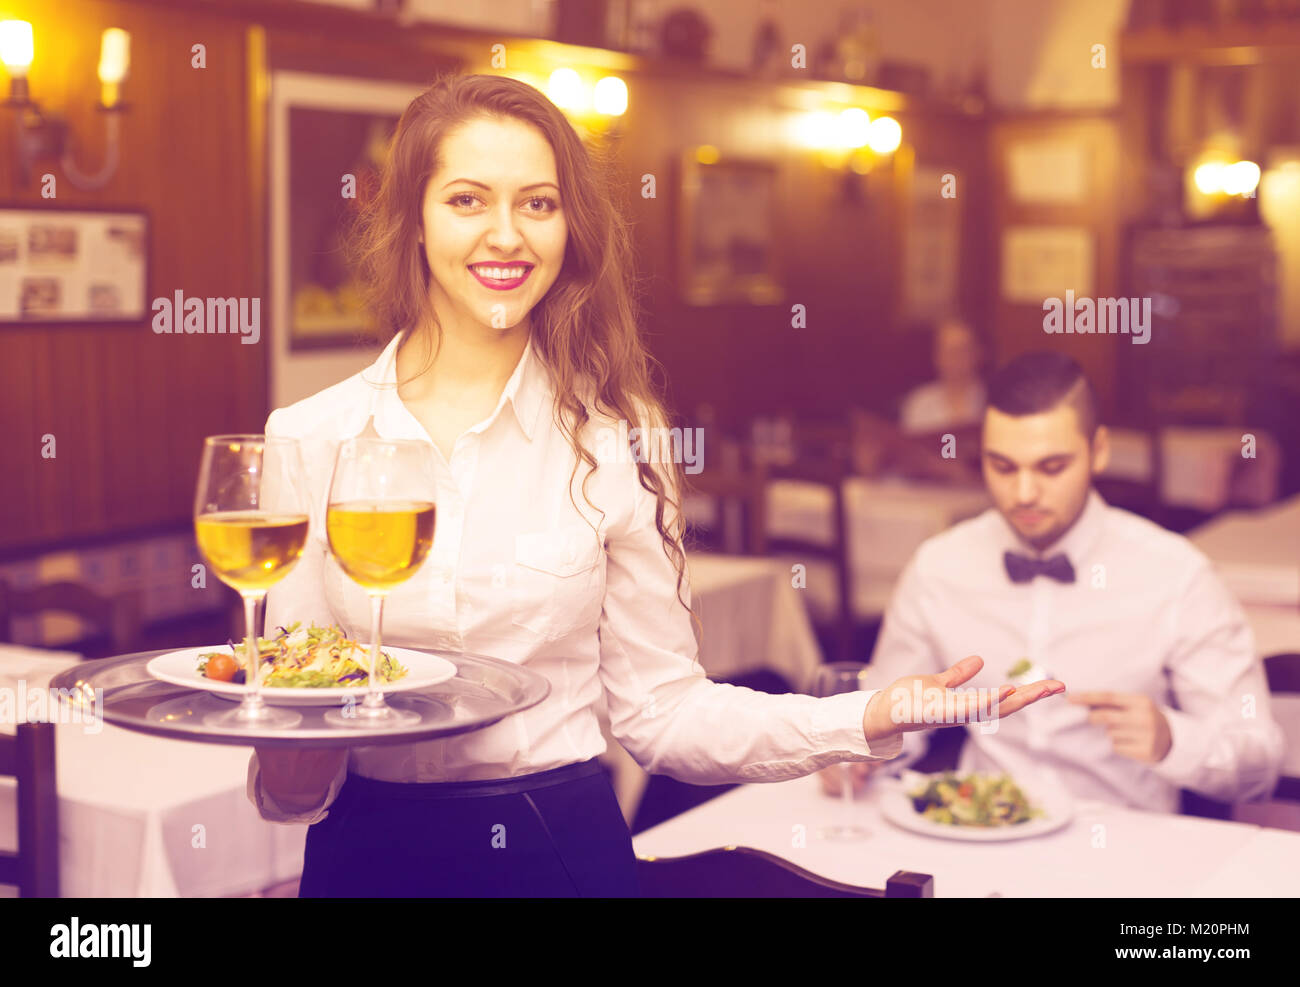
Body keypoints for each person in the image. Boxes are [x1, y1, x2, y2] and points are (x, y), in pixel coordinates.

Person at [246, 74, 1064, 898]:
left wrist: (867, 715)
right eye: (466, 200)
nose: (507, 235)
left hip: (557, 851)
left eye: (538, 204)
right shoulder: (310, 437)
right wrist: (295, 744)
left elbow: (664, 712)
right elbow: (291, 756)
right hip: (366, 857)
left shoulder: (621, 433)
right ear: (413, 221)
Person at [823, 351, 1284, 812]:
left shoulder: (1178, 576)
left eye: (1051, 467)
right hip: (977, 841)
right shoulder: (938, 567)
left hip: (1126, 857)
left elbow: (1259, 763)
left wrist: (1173, 740)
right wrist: (859, 752)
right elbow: (895, 718)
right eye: (1003, 467)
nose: (1024, 493)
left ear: (1098, 451)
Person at [898, 317, 986, 435]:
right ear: (936, 356)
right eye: (948, 350)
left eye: (962, 349)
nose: (955, 357)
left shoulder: (993, 400)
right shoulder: (918, 404)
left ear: (977, 353)